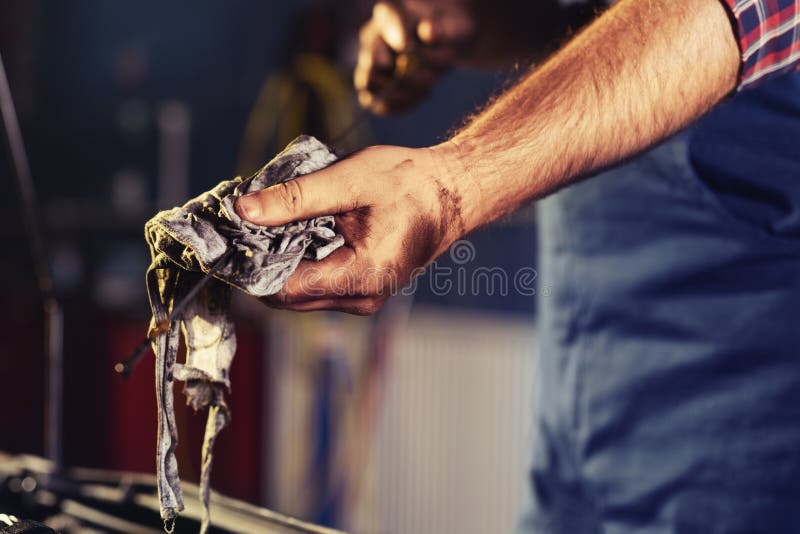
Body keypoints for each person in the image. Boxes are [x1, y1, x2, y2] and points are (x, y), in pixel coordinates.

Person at [236, 0, 800, 531]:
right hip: (580, 406)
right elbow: (609, 18)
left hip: (741, 416)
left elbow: (728, 15)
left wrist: (451, 189)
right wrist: (479, 20)